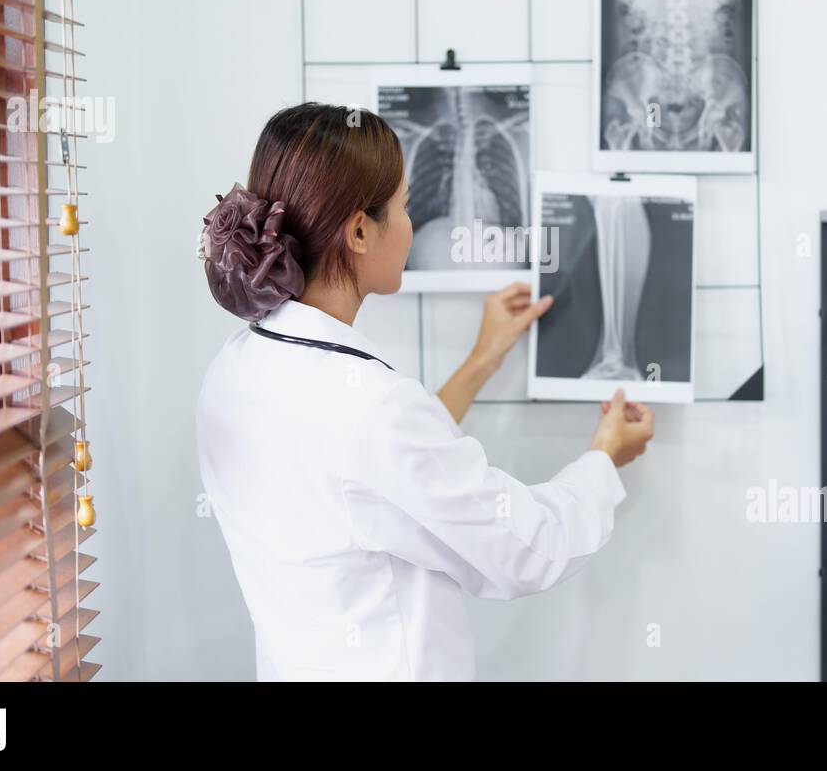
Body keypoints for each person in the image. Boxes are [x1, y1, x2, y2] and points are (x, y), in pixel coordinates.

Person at [195, 103, 654, 681]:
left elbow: (374, 480)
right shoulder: (370, 409)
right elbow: (529, 549)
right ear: (360, 230)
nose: (412, 225)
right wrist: (605, 458)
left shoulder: (233, 371)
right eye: (406, 207)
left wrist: (483, 357)